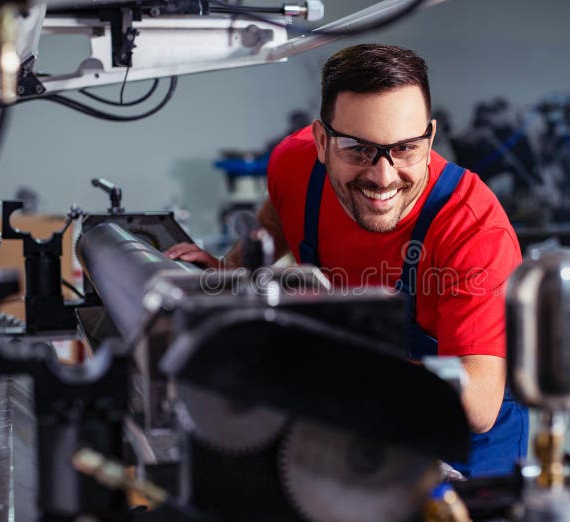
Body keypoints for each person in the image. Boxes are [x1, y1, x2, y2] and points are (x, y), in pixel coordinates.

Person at [165, 44, 528, 477]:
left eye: (407, 149)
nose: (383, 175)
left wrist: (324, 362)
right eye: (358, 149)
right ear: (321, 141)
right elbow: (278, 214)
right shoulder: (294, 165)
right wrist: (228, 273)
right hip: (356, 418)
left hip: (466, 450)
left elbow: (479, 402)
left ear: (430, 138)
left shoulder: (473, 232)